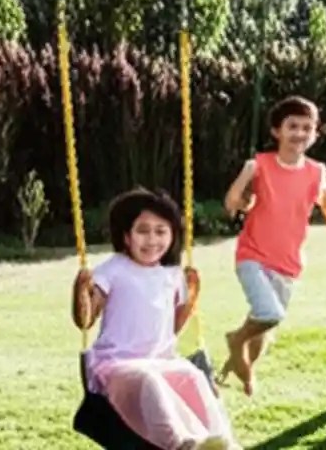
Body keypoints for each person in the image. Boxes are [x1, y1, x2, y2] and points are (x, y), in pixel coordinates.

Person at [72, 189, 238, 450]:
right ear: (126, 236)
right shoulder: (114, 268)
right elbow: (86, 319)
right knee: (148, 380)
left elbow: (173, 326)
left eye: (161, 231)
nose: (152, 240)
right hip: (117, 365)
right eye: (143, 231)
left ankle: (222, 441)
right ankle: (179, 444)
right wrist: (81, 292)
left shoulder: (171, 276)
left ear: (172, 236)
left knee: (193, 376)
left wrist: (191, 298)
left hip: (162, 360)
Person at [219, 95, 326, 395]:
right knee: (270, 313)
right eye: (293, 126)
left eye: (307, 128)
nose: (300, 133)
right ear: (277, 131)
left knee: (264, 335)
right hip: (252, 255)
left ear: (315, 133)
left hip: (288, 263)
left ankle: (239, 368)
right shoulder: (260, 165)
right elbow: (231, 205)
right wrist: (245, 179)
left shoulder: (316, 171)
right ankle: (236, 341)